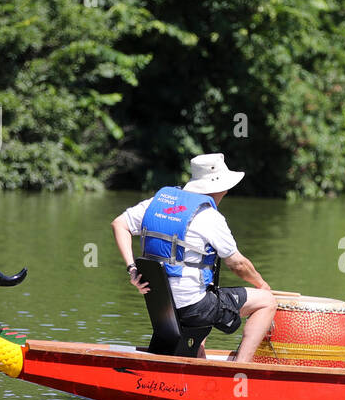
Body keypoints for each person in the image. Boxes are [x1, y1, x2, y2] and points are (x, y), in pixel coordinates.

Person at [112, 153, 276, 362]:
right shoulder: (210, 217)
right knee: (266, 302)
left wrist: (132, 269)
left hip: (160, 306)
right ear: (220, 188)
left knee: (204, 311)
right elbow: (238, 264)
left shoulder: (156, 204)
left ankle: (197, 369)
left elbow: (119, 224)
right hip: (192, 307)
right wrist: (262, 285)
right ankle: (241, 368)